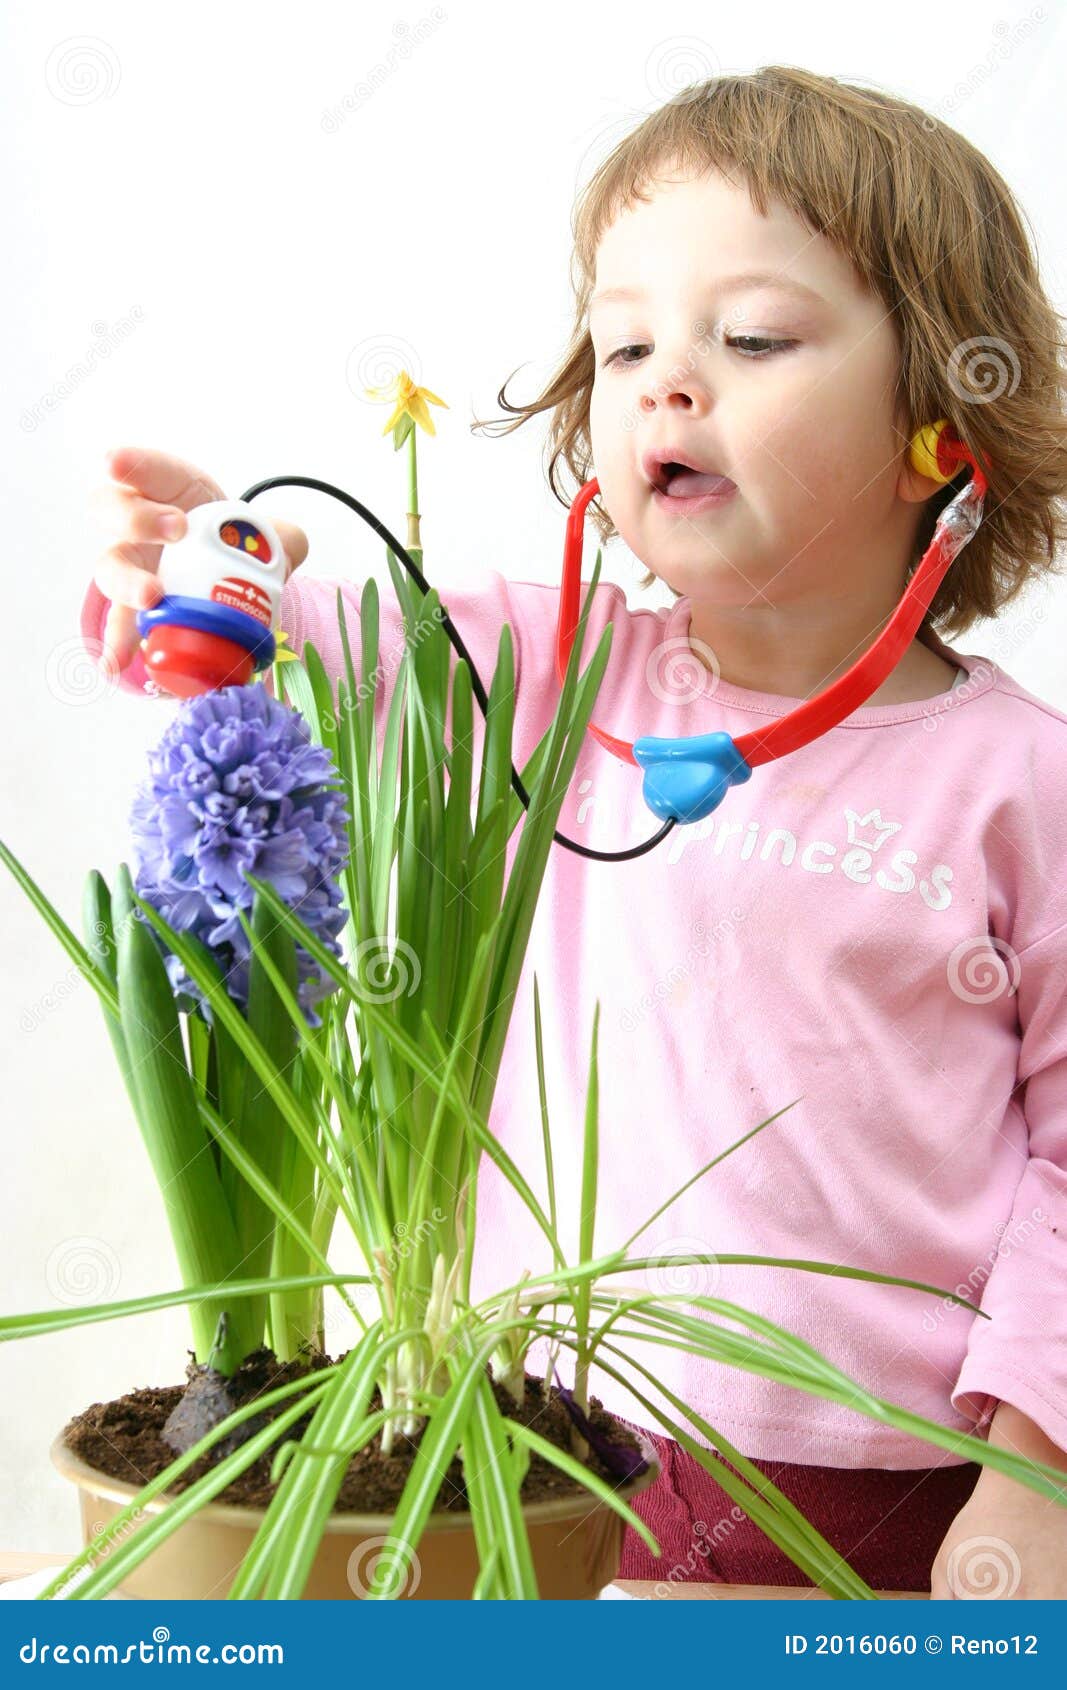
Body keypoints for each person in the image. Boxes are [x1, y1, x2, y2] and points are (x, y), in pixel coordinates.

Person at [81, 66, 1067, 1596]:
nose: (669, 378)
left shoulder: (1021, 782)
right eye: (624, 343)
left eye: (750, 337)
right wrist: (221, 568)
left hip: (909, 1496)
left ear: (943, 424)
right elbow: (297, 639)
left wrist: (1037, 1473)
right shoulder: (555, 668)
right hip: (553, 1460)